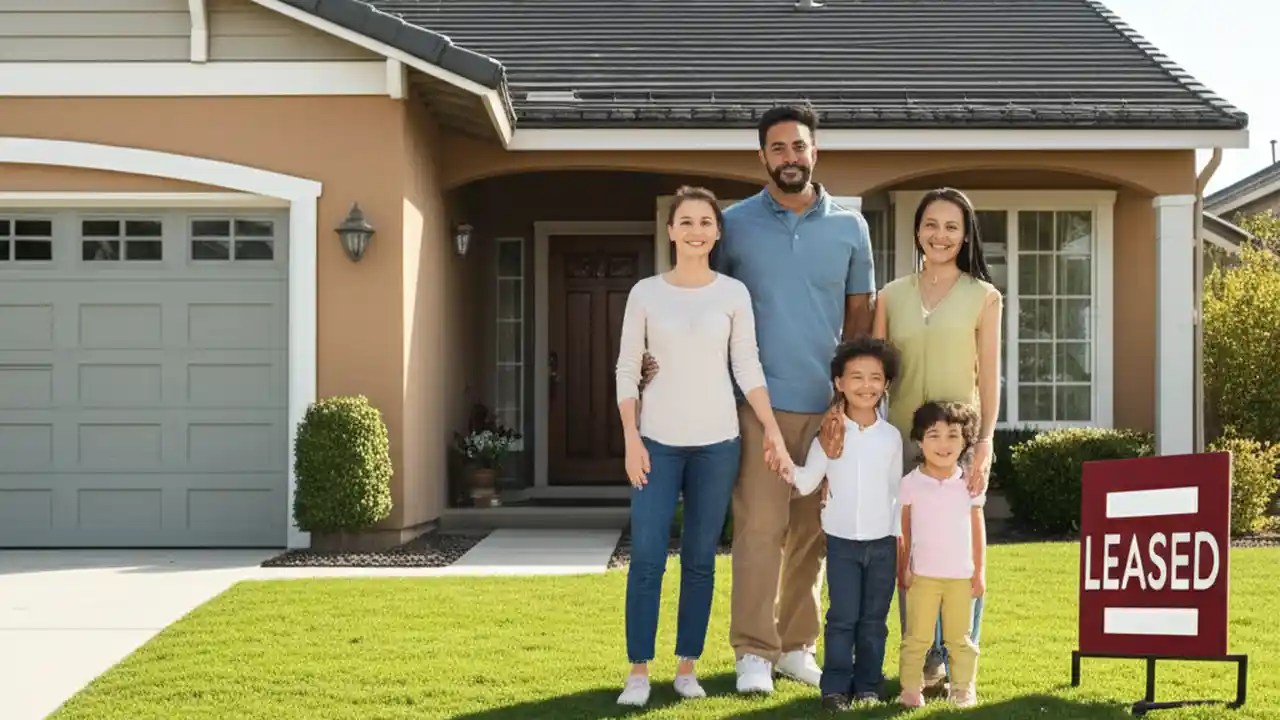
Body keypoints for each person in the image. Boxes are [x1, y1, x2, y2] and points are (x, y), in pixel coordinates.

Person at [613, 185, 789, 707]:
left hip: (718, 444)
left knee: (700, 560)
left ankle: (687, 668)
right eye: (685, 222)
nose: (695, 231)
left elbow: (747, 365)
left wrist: (771, 426)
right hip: (657, 445)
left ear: (717, 232)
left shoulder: (732, 294)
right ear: (670, 230)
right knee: (646, 558)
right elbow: (627, 367)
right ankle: (639, 673)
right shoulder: (645, 293)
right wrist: (631, 437)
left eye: (705, 223)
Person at [873, 187, 1001, 689]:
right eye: (931, 225)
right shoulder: (891, 294)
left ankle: (957, 660)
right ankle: (923, 660)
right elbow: (877, 372)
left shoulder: (983, 296)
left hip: (959, 444)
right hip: (903, 442)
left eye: (951, 226)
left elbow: (988, 377)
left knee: (962, 552)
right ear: (917, 231)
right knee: (912, 549)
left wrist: (984, 442)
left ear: (965, 234)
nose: (940, 235)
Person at [786, 337, 903, 711]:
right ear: (838, 383)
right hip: (842, 543)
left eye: (875, 378)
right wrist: (780, 460)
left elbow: (896, 494)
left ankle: (868, 685)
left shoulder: (891, 437)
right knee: (841, 618)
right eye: (856, 377)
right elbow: (806, 482)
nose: (866, 386)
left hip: (883, 544)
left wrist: (902, 543)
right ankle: (835, 687)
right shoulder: (830, 434)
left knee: (873, 621)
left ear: (886, 385)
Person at [896, 401, 987, 709]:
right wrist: (903, 567)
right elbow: (903, 531)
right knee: (917, 638)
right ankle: (910, 689)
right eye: (934, 435)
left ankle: (963, 689)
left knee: (959, 640)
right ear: (920, 441)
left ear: (965, 442)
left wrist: (979, 572)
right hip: (922, 576)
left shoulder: (969, 484)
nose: (943, 444)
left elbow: (977, 529)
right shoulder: (909, 484)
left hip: (961, 577)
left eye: (953, 435)